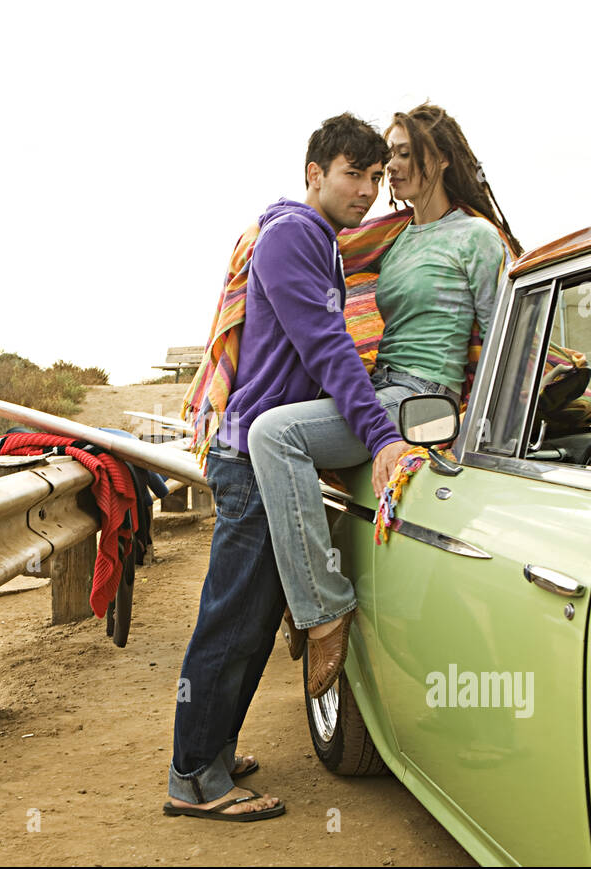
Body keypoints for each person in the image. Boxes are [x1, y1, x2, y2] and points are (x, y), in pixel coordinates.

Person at [165, 114, 410, 821]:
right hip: (249, 456)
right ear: (315, 175)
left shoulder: (314, 238)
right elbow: (328, 348)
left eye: (373, 177)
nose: (365, 189)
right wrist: (380, 436)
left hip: (253, 450)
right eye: (350, 174)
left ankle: (209, 750)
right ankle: (192, 779)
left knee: (251, 613)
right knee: (233, 620)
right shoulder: (297, 235)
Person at [247, 103, 523, 699]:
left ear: (440, 159)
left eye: (400, 156)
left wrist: (479, 433)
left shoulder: (476, 237)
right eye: (379, 162)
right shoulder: (394, 243)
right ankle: (303, 598)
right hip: (383, 388)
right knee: (275, 434)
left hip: (421, 397)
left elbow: (505, 338)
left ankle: (322, 609)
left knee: (273, 434)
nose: (386, 171)